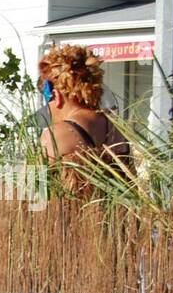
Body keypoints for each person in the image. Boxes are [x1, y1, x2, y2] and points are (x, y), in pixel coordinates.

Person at [38, 44, 131, 192]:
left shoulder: (56, 135)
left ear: (56, 96)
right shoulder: (117, 130)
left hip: (72, 215)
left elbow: (29, 191)